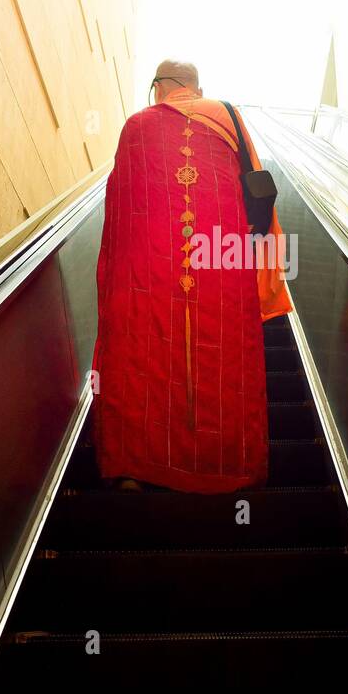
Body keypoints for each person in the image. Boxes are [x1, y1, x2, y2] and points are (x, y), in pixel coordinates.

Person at [91, 60, 292, 493]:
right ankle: (228, 464)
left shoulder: (136, 125)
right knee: (223, 355)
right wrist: (265, 275)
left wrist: (118, 278)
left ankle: (135, 468)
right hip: (221, 263)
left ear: (160, 87)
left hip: (146, 268)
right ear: (198, 88)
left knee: (140, 351)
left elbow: (120, 211)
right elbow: (258, 193)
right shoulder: (226, 115)